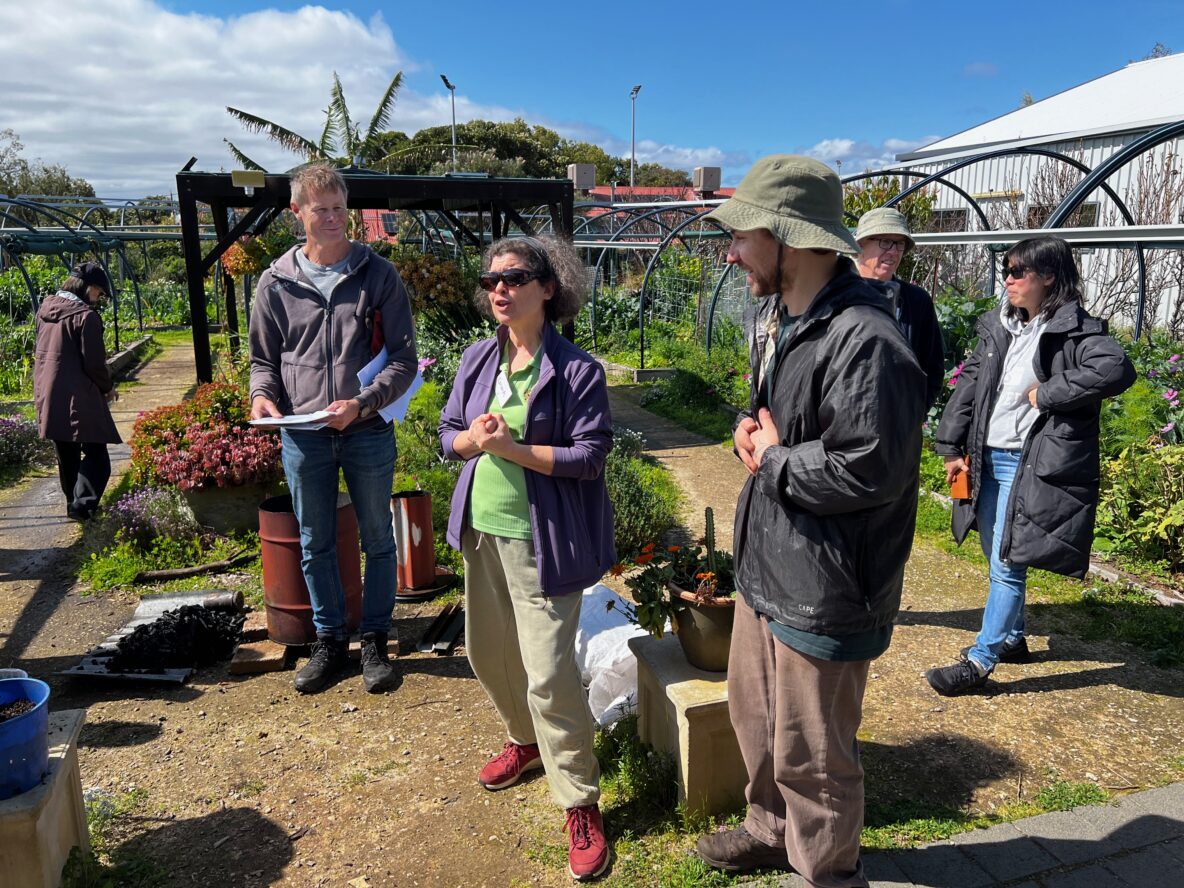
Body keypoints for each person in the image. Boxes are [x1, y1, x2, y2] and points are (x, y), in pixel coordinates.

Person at [692, 155, 926, 887]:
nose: (731, 252)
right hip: (773, 570)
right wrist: (750, 432)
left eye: (743, 236)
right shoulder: (788, 317)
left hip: (827, 587)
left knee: (816, 759)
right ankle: (769, 832)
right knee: (758, 725)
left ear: (790, 239)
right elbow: (781, 423)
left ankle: (828, 873)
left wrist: (774, 461)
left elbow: (870, 469)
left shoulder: (866, 341)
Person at [438, 235, 614, 882]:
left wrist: (509, 450)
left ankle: (580, 802)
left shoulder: (576, 372)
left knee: (547, 675)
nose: (500, 289)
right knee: (490, 656)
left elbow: (590, 459)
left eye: (515, 277)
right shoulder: (477, 360)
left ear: (549, 287)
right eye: (491, 279)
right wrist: (468, 441)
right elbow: (446, 438)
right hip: (480, 532)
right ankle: (525, 742)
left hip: (544, 540)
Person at [926, 236, 1135, 696]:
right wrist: (951, 448)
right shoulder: (1000, 327)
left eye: (1019, 272)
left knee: (1007, 561)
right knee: (991, 549)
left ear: (1049, 277)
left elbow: (1116, 369)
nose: (1009, 280)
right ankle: (1014, 638)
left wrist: (1049, 393)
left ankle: (980, 661)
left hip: (1028, 463)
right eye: (1007, 270)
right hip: (984, 456)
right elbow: (970, 389)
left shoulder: (1074, 330)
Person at [249, 163, 417, 695]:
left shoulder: (377, 275)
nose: (331, 218)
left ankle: (373, 639)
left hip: (365, 430)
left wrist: (364, 404)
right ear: (296, 212)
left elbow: (404, 361)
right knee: (315, 540)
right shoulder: (274, 283)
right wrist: (262, 396)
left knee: (377, 538)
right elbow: (263, 361)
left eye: (339, 208)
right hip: (304, 433)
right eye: (319, 209)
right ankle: (327, 642)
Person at [33, 261, 121, 521]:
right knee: (97, 455)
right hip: (77, 395)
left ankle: (73, 503)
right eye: (99, 293)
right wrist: (107, 387)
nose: (99, 299)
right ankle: (83, 506)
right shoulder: (86, 317)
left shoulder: (44, 309)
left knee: (66, 453)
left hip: (48, 391)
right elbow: (94, 363)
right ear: (88, 287)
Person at [854, 206, 946, 408]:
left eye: (900, 244)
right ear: (860, 244)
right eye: (885, 242)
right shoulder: (838, 296)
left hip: (897, 429)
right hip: (843, 427)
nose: (893, 252)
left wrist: (912, 415)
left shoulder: (916, 301)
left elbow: (933, 367)